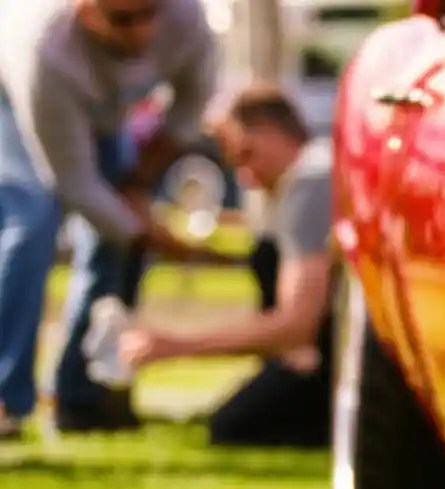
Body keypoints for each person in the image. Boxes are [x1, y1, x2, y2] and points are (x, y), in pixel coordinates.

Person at [0, 0, 217, 440]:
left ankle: (83, 395)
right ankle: (6, 396)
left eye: (148, 14)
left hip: (107, 111)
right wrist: (145, 234)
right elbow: (72, 181)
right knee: (33, 222)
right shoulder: (46, 49)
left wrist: (138, 183)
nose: (140, 31)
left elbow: (188, 110)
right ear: (85, 11)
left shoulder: (186, 17)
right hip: (17, 100)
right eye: (122, 20)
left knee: (111, 244)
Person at [119, 84, 336, 448]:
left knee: (235, 426)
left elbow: (297, 324)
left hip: (332, 363)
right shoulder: (306, 179)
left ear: (272, 129)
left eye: (247, 154)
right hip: (315, 353)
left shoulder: (310, 184)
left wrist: (175, 346)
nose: (246, 177)